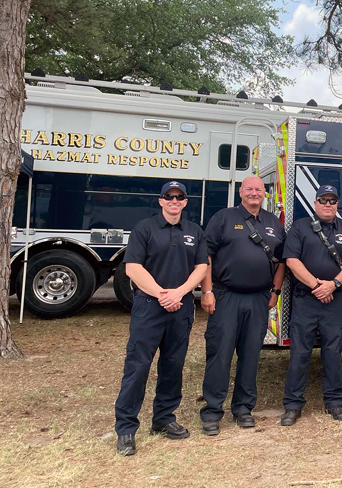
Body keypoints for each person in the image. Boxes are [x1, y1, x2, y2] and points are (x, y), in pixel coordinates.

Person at [114, 181, 208, 456]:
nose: (174, 201)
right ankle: (126, 428)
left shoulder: (194, 231)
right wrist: (161, 294)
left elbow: (201, 266)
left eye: (179, 197)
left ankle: (164, 418)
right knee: (138, 366)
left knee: (173, 365)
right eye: (169, 197)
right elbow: (132, 267)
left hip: (181, 307)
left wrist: (179, 292)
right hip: (149, 307)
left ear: (186, 202)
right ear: (160, 201)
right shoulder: (145, 229)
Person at [199, 175, 286, 436]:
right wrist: (207, 291)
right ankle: (213, 411)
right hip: (226, 296)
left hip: (259, 298)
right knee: (220, 354)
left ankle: (243, 409)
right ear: (240, 192)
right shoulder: (223, 218)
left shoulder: (273, 223)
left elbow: (282, 260)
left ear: (264, 193)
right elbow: (206, 254)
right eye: (249, 189)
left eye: (258, 189)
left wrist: (276, 290)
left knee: (250, 355)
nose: (254, 193)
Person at [280, 185, 342, 426]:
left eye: (332, 200)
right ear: (315, 203)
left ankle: (335, 402)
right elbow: (291, 260)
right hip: (306, 299)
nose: (327, 204)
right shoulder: (301, 227)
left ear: (337, 204)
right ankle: (293, 406)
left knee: (333, 353)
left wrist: (333, 284)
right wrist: (317, 286)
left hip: (334, 300)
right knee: (300, 354)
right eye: (323, 200)